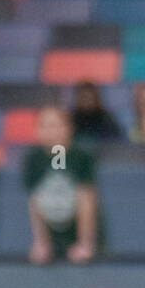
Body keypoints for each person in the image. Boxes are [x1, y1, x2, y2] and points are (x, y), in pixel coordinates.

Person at [23, 105, 97, 265]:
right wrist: (41, 242)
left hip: (78, 238)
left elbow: (86, 199)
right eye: (45, 126)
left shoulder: (80, 156)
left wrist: (85, 243)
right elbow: (35, 201)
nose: (51, 131)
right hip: (53, 240)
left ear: (69, 128)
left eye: (55, 125)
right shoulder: (33, 160)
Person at [71, 81, 121, 148]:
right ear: (78, 98)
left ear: (96, 98)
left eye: (90, 97)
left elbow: (114, 142)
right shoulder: (71, 120)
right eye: (84, 97)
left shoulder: (107, 120)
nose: (87, 100)